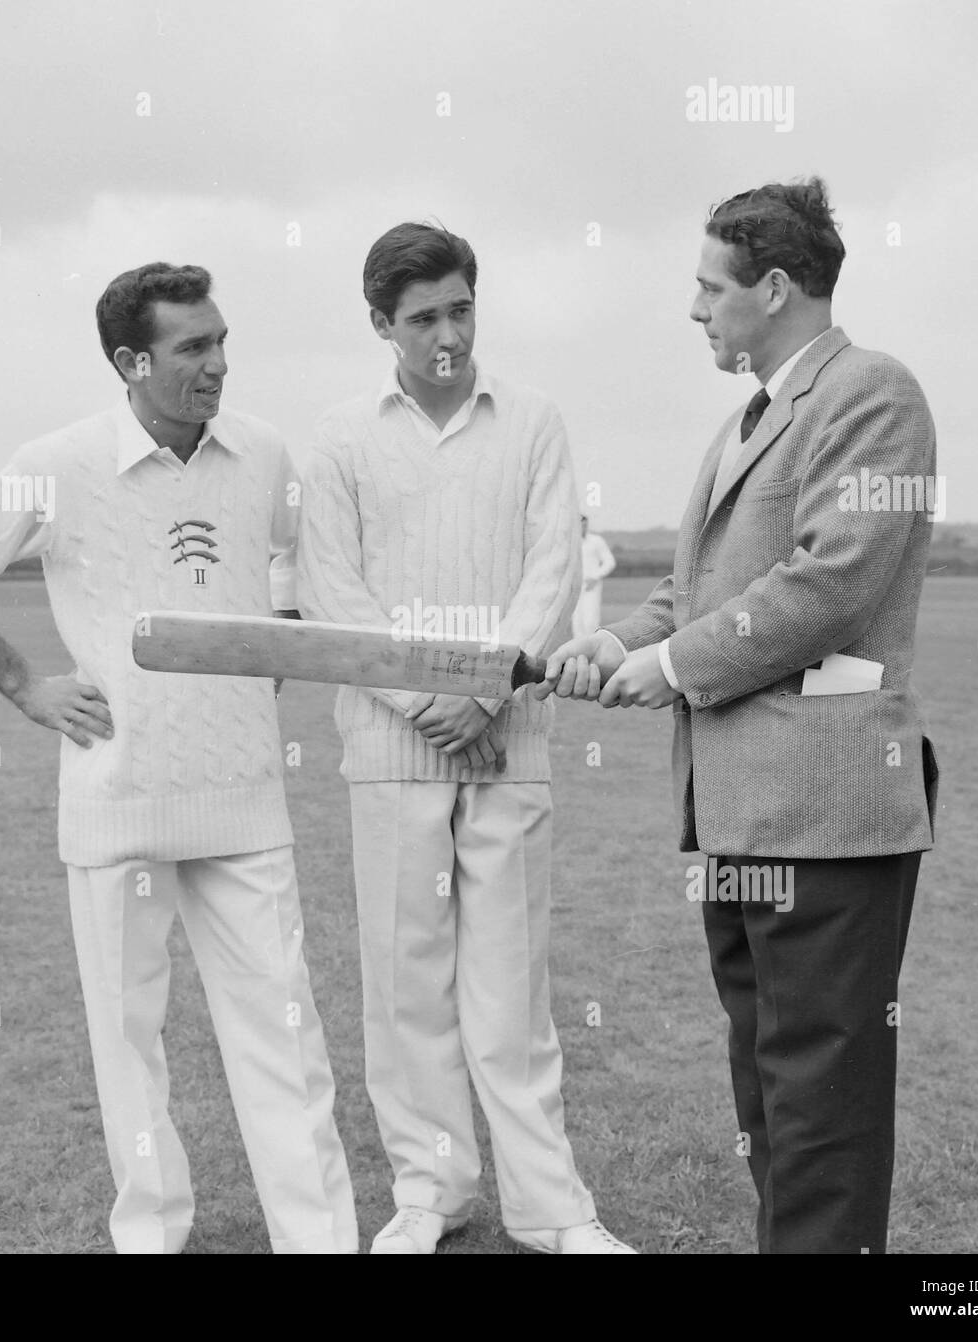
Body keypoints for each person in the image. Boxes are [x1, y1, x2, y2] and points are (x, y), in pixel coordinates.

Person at [0, 262, 357, 1255]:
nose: (218, 365)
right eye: (193, 348)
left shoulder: (266, 451)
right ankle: (151, 1235)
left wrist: (270, 636)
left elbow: (296, 558)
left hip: (243, 794)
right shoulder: (57, 462)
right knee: (127, 1039)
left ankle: (319, 1241)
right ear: (129, 359)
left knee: (285, 1036)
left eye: (222, 340)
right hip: (115, 795)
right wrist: (28, 688)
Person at [539, 179, 940, 1254]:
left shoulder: (873, 395)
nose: (693, 308)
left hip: (827, 808)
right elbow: (700, 590)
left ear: (773, 287)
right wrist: (619, 641)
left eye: (708, 287)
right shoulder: (746, 418)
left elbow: (831, 586)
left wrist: (672, 664)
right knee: (770, 1090)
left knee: (823, 1102)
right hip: (737, 812)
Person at [297, 221, 634, 1255]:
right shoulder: (341, 437)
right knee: (406, 983)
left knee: (509, 988)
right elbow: (332, 593)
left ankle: (551, 1210)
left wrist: (483, 693)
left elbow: (552, 568)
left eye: (459, 309)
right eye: (421, 318)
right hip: (394, 747)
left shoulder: (533, 421)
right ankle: (429, 1191)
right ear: (380, 326)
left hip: (508, 737)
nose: (446, 333)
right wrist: (428, 700)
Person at [572, 514, 616, 638]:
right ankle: (580, 654)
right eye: (580, 525)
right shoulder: (571, 543)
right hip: (575, 587)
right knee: (577, 623)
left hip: (592, 585)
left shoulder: (596, 541)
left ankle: (593, 648)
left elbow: (610, 562)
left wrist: (595, 577)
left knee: (590, 621)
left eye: (585, 525)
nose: (583, 528)